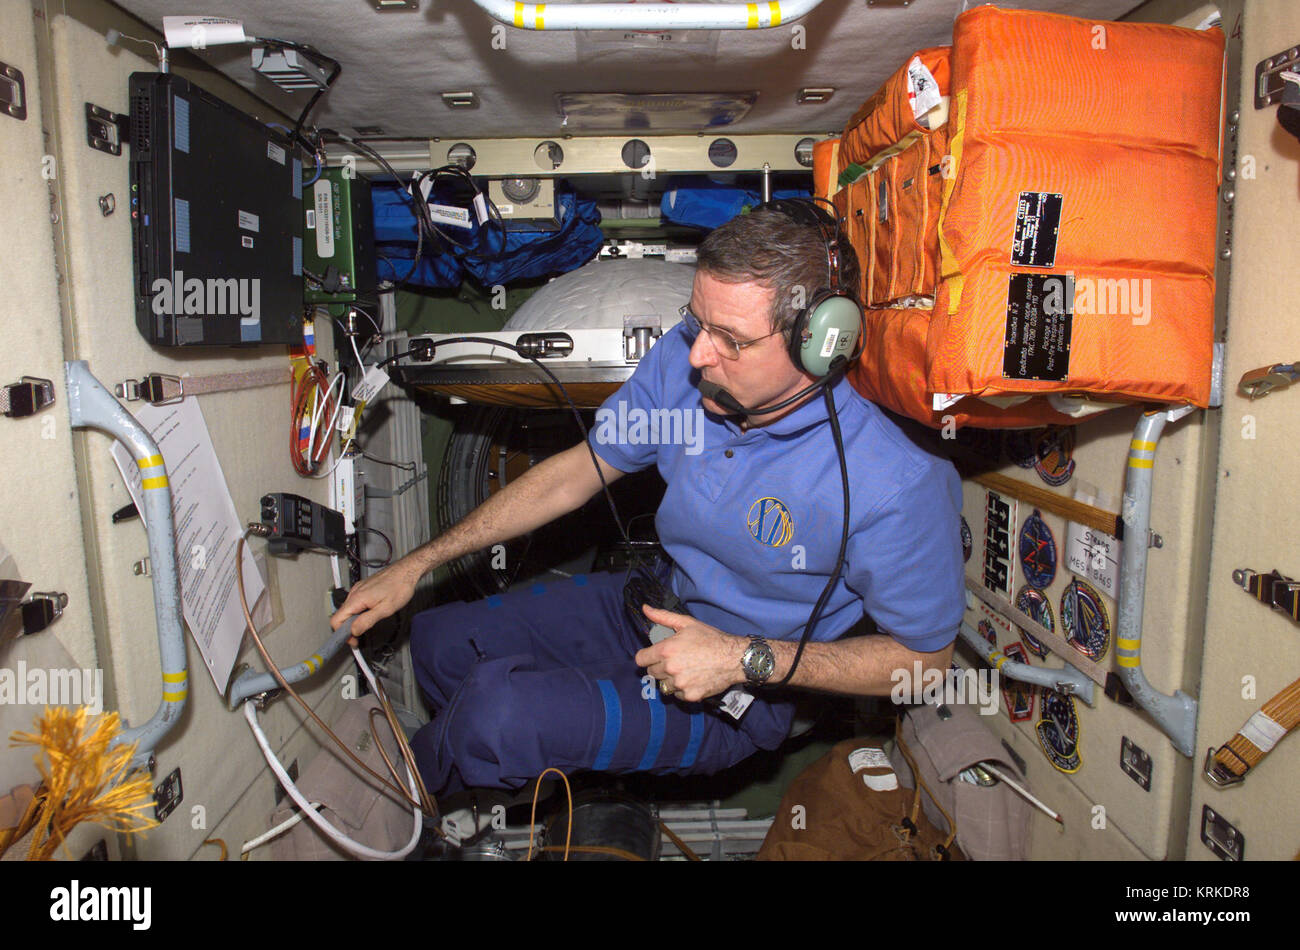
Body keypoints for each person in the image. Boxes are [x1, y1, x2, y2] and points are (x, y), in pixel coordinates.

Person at [329, 204, 965, 796]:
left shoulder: (896, 482)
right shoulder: (684, 370)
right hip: (657, 602)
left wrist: (742, 658)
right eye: (697, 321)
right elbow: (576, 472)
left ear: (820, 342)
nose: (696, 354)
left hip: (739, 691)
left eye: (730, 339)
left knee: (499, 718)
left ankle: (403, 804)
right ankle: (482, 763)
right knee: (442, 640)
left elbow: (926, 662)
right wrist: (415, 564)